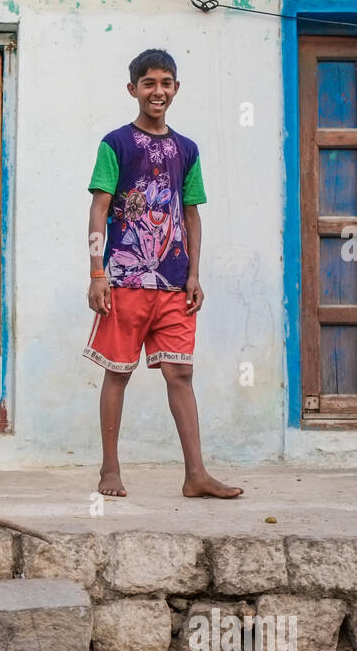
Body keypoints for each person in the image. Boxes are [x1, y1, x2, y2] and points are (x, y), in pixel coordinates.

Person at [84, 48, 242, 500]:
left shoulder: (187, 150)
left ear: (176, 88)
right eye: (149, 83)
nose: (158, 91)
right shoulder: (115, 144)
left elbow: (191, 214)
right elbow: (99, 209)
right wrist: (98, 272)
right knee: (118, 373)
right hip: (125, 279)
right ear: (132, 89)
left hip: (173, 282)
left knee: (181, 375)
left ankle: (196, 474)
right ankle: (109, 470)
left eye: (166, 83)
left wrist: (194, 273)